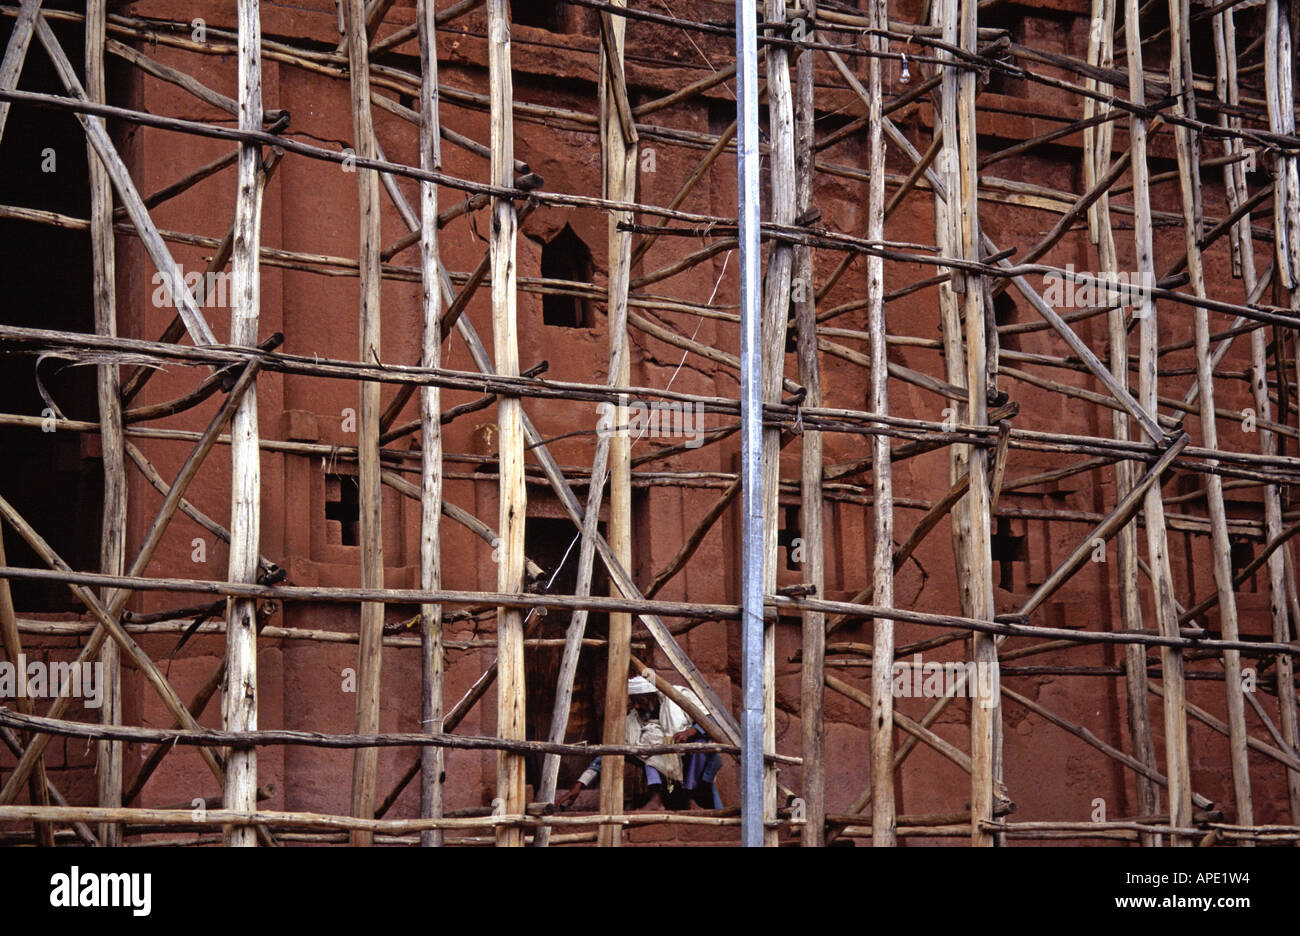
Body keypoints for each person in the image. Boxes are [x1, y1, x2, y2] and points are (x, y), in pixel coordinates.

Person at [556, 675, 723, 811]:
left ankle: (691, 796)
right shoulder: (633, 722)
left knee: (701, 743)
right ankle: (656, 799)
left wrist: (689, 732)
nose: (635, 705)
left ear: (653, 697)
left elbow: (712, 719)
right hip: (664, 766)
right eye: (633, 701)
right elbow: (607, 753)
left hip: (692, 761)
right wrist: (579, 785)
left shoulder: (678, 699)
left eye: (640, 701)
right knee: (645, 750)